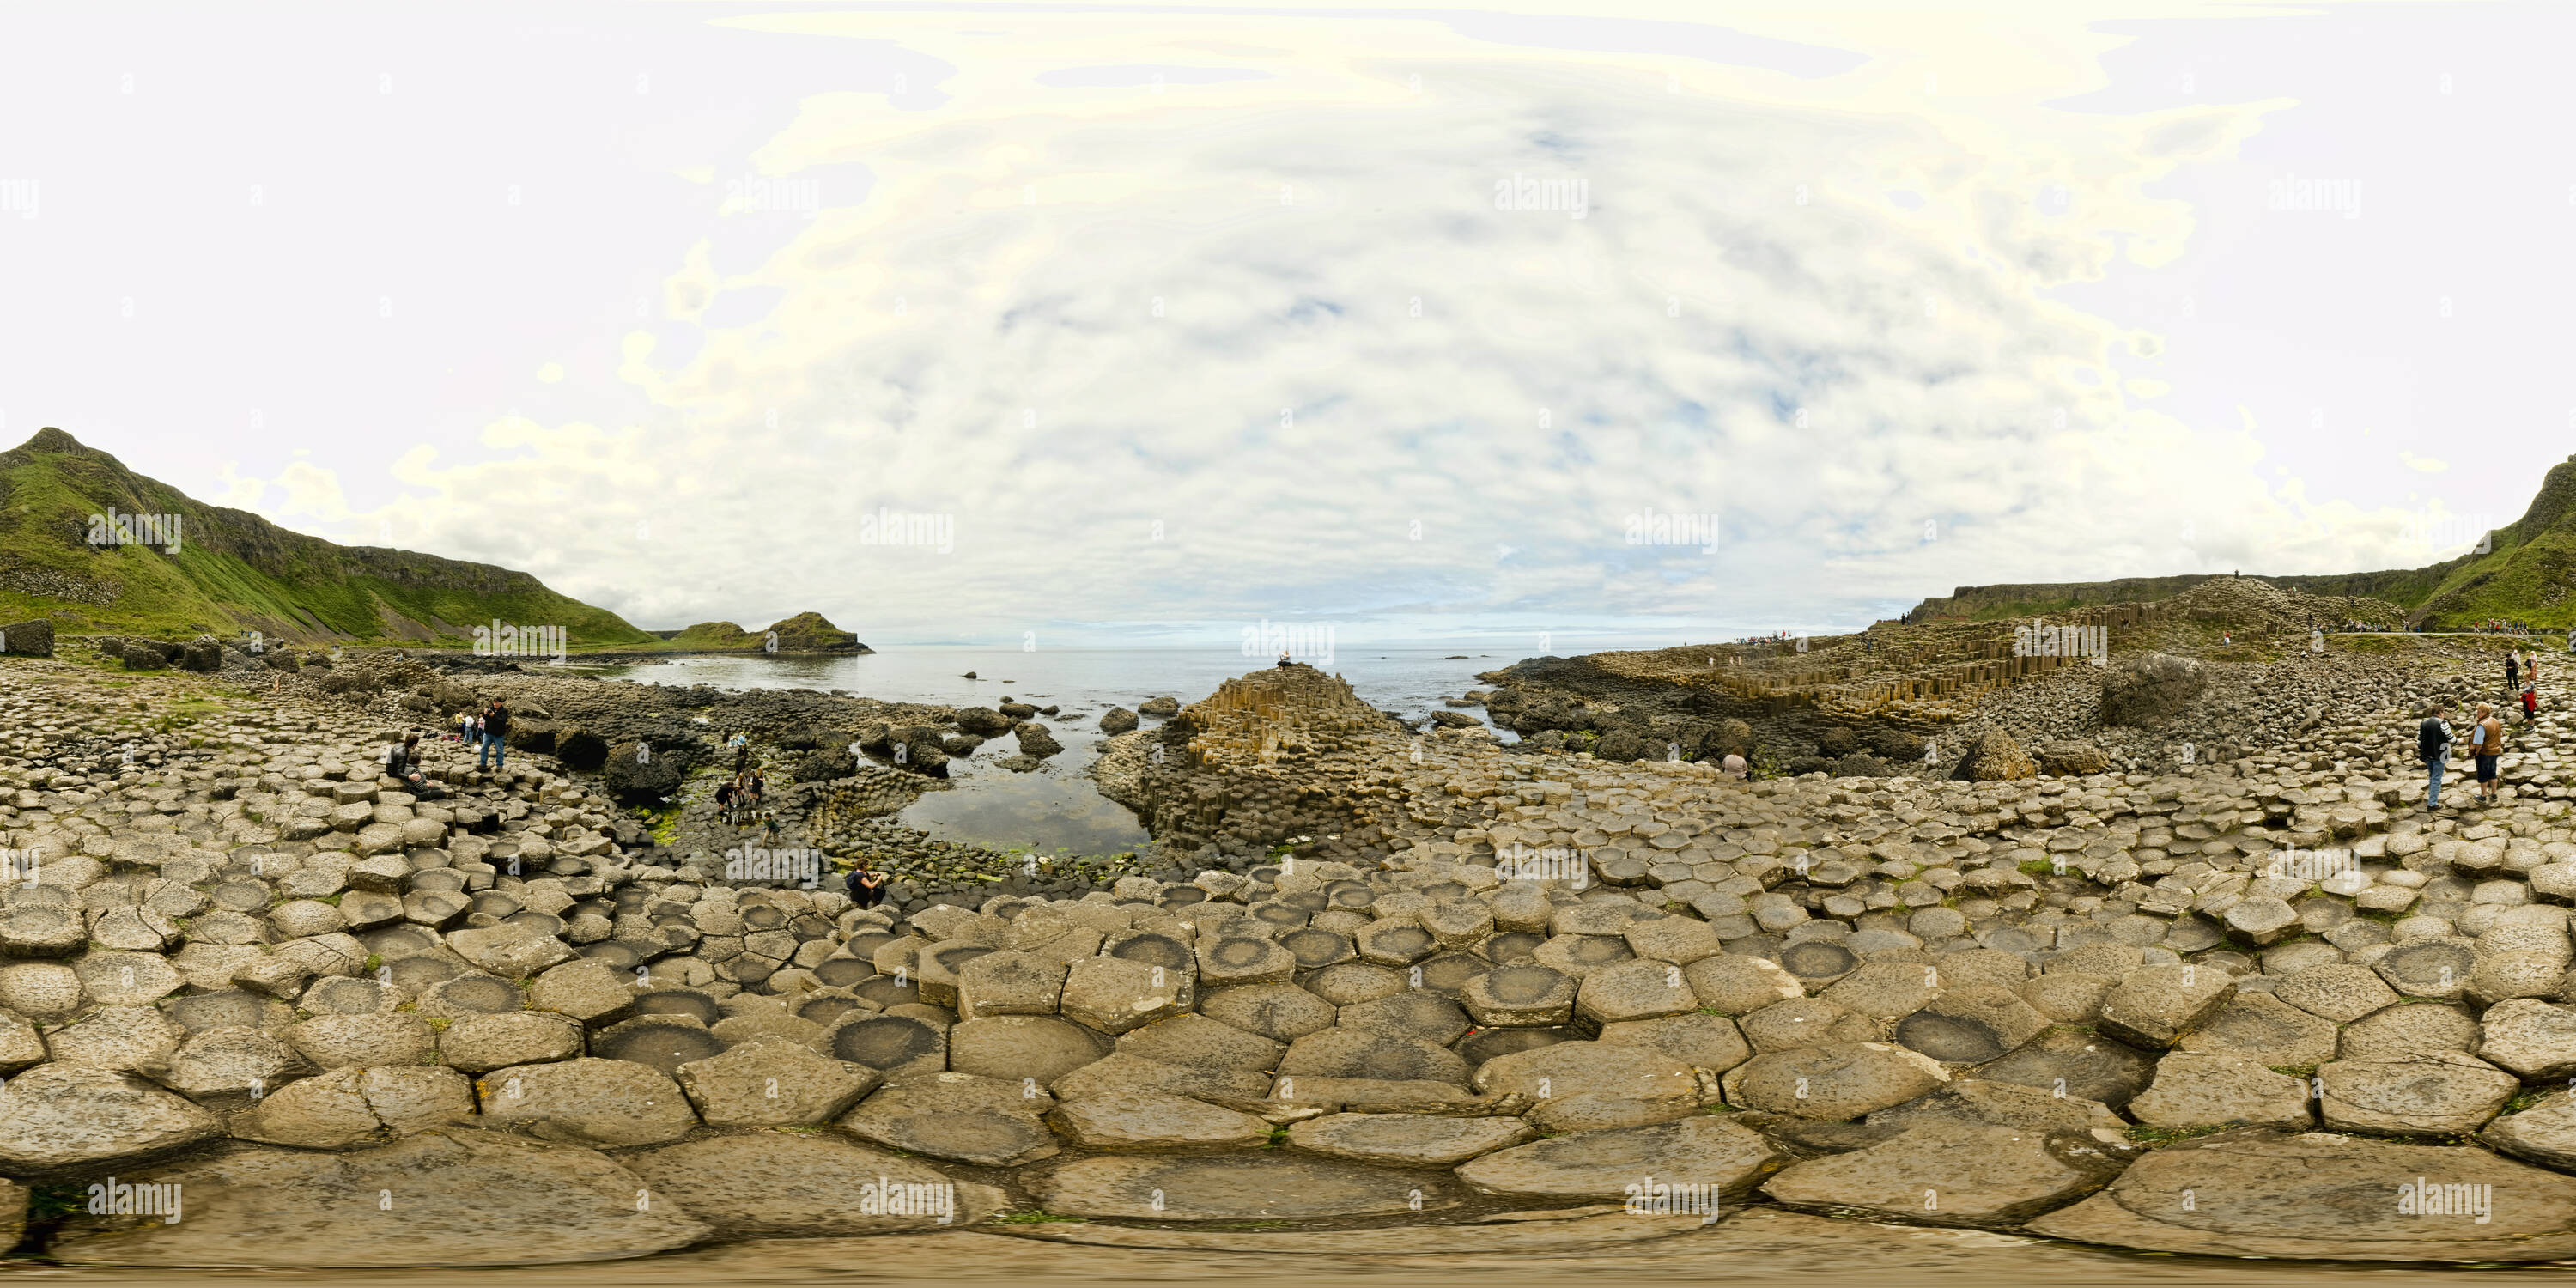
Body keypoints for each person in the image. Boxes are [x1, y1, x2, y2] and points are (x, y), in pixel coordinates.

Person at [385, 732, 447, 801]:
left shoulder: (397, 746)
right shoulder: (404, 754)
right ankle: (421, 794)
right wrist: (409, 777)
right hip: (392, 774)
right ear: (414, 745)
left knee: (434, 787)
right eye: (416, 744)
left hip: (389, 770)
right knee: (440, 792)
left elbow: (389, 760)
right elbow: (399, 773)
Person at [2420, 702, 2454, 810]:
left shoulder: (2424, 723)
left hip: (2427, 754)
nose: (2444, 714)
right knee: (2436, 779)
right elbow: (2451, 739)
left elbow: (2419, 742)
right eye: (2443, 712)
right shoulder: (2443, 723)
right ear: (2440, 712)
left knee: (2432, 777)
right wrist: (2460, 741)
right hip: (2440, 754)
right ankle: (2432, 804)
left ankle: (2431, 798)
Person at [2473, 702, 2505, 805]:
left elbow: (2479, 742)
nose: (2477, 713)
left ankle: (2483, 796)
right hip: (2495, 751)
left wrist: (2477, 752)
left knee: (2483, 774)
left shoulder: (2482, 725)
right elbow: (2500, 734)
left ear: (2484, 712)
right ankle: (2494, 794)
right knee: (2492, 773)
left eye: (2479, 711)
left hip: (2485, 752)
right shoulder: (2495, 721)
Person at [479, 700, 510, 770]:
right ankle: (483, 764)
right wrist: (485, 714)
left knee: (499, 750)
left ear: (500, 703)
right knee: (484, 748)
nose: (495, 704)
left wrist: (494, 716)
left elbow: (502, 720)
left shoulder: (504, 711)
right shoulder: (491, 708)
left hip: (498, 735)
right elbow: (485, 718)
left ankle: (499, 766)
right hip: (488, 733)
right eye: (494, 702)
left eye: (496, 702)